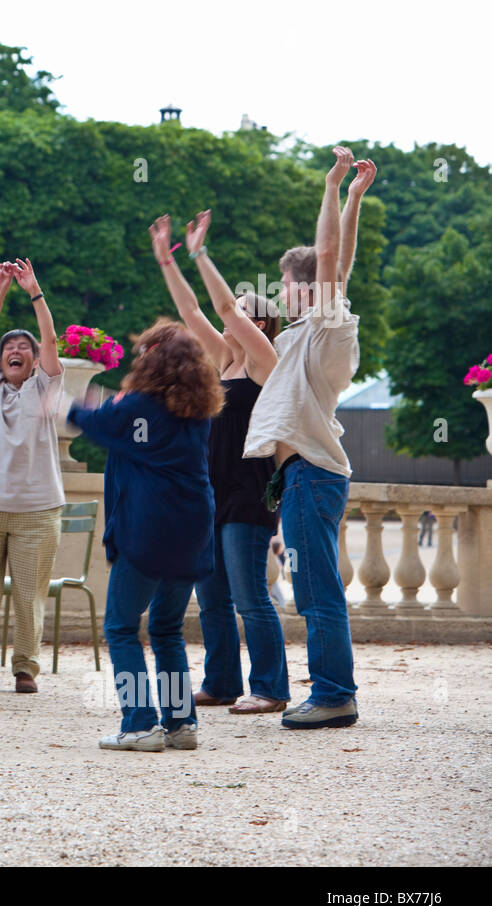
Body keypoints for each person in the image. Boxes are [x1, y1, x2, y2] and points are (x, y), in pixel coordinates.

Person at [243, 147, 376, 730]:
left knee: (316, 590)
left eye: (285, 282)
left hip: (311, 476)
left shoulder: (327, 326)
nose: (280, 290)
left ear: (304, 288)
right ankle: (330, 690)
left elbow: (328, 259)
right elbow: (339, 260)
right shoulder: (309, 333)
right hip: (304, 477)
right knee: (315, 587)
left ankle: (332, 694)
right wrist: (352, 198)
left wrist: (331, 184)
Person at [150, 211, 290, 715]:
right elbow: (191, 312)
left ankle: (272, 688)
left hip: (248, 491)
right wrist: (167, 256)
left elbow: (223, 307)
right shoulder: (223, 360)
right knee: (210, 599)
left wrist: (200, 253)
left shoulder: (262, 359)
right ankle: (223, 682)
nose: (237, 317)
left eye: (248, 313)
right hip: (210, 493)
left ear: (261, 324)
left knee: (251, 596)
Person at [66, 318, 222, 752]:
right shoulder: (197, 413)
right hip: (192, 529)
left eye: (143, 351)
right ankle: (180, 723)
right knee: (168, 629)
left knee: (120, 625)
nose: (136, 358)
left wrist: (71, 404)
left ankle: (139, 723)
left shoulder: (139, 407)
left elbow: (91, 422)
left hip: (148, 528)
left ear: (154, 357)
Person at [0, 259, 65, 694]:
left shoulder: (45, 388)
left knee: (28, 598)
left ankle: (26, 669)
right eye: (8, 349)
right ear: (0, 360)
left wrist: (34, 291)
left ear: (36, 360)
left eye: (24, 348)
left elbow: (52, 338)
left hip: (35, 517)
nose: (14, 351)